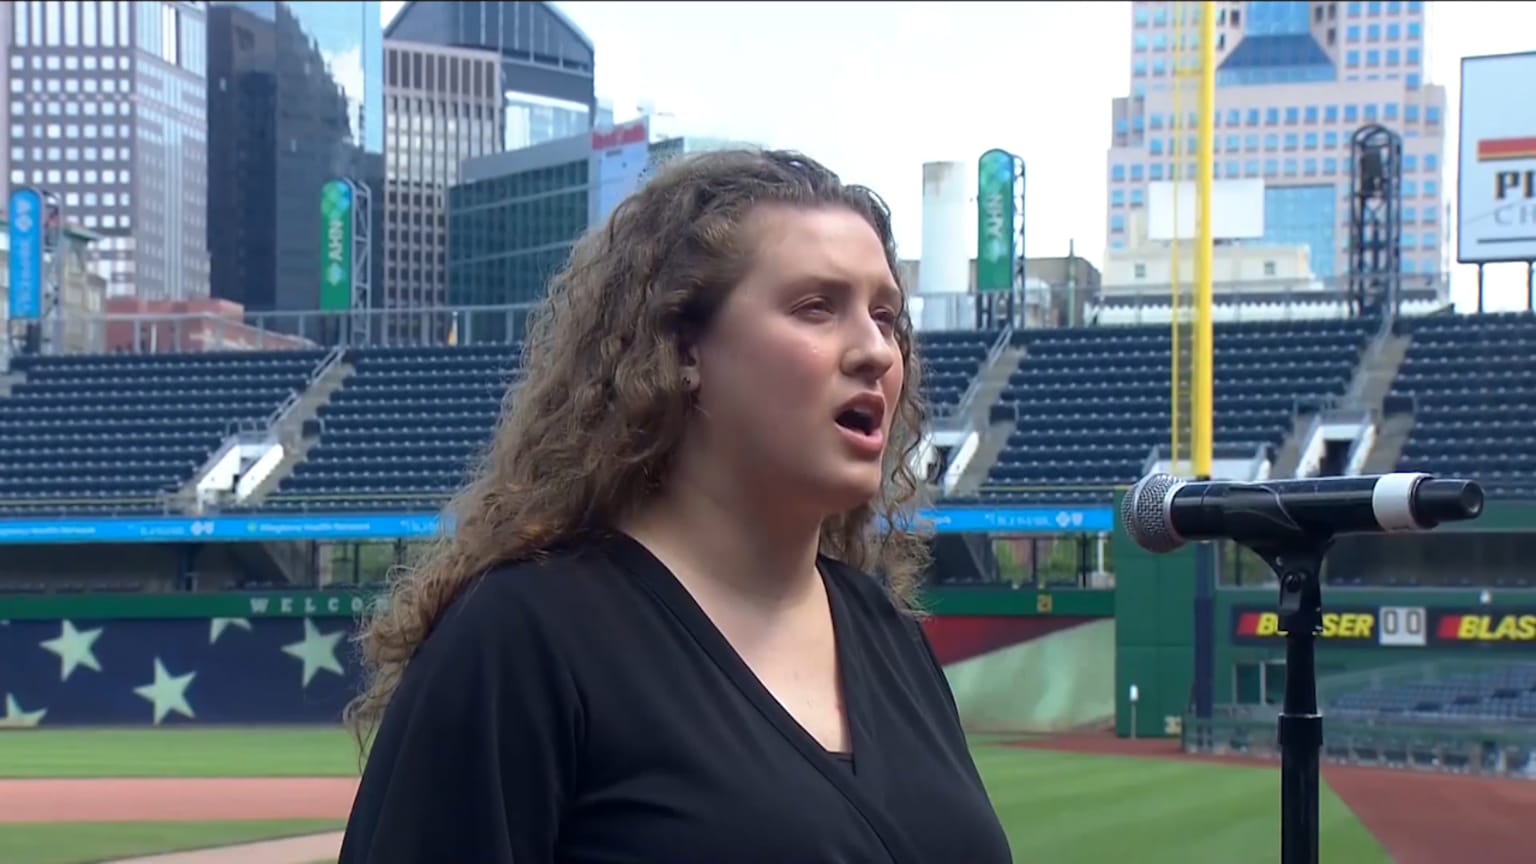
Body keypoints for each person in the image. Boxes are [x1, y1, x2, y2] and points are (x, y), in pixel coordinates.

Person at [336, 148, 1013, 864]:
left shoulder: (887, 634)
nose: (875, 350)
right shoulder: (525, 639)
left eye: (886, 315)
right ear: (683, 350)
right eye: (817, 307)